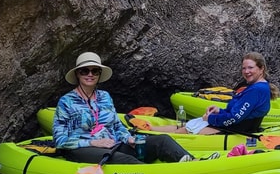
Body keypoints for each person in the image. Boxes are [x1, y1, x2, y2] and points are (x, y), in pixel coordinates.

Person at [52, 52, 200, 164]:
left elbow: (117, 126)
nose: (90, 75)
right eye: (85, 71)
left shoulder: (105, 96)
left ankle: (193, 166)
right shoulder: (66, 102)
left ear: (99, 73)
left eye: (95, 71)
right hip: (83, 149)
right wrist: (93, 143)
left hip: (113, 144)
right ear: (77, 74)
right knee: (123, 159)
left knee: (162, 140)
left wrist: (128, 138)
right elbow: (60, 140)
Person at [156, 52, 277, 135]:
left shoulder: (257, 90)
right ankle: (149, 128)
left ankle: (148, 132)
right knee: (186, 126)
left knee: (184, 131)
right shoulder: (255, 87)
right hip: (236, 125)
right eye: (244, 68)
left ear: (261, 69)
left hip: (236, 130)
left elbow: (235, 118)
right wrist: (219, 111)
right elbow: (236, 112)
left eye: (250, 68)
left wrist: (211, 118)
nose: (246, 71)